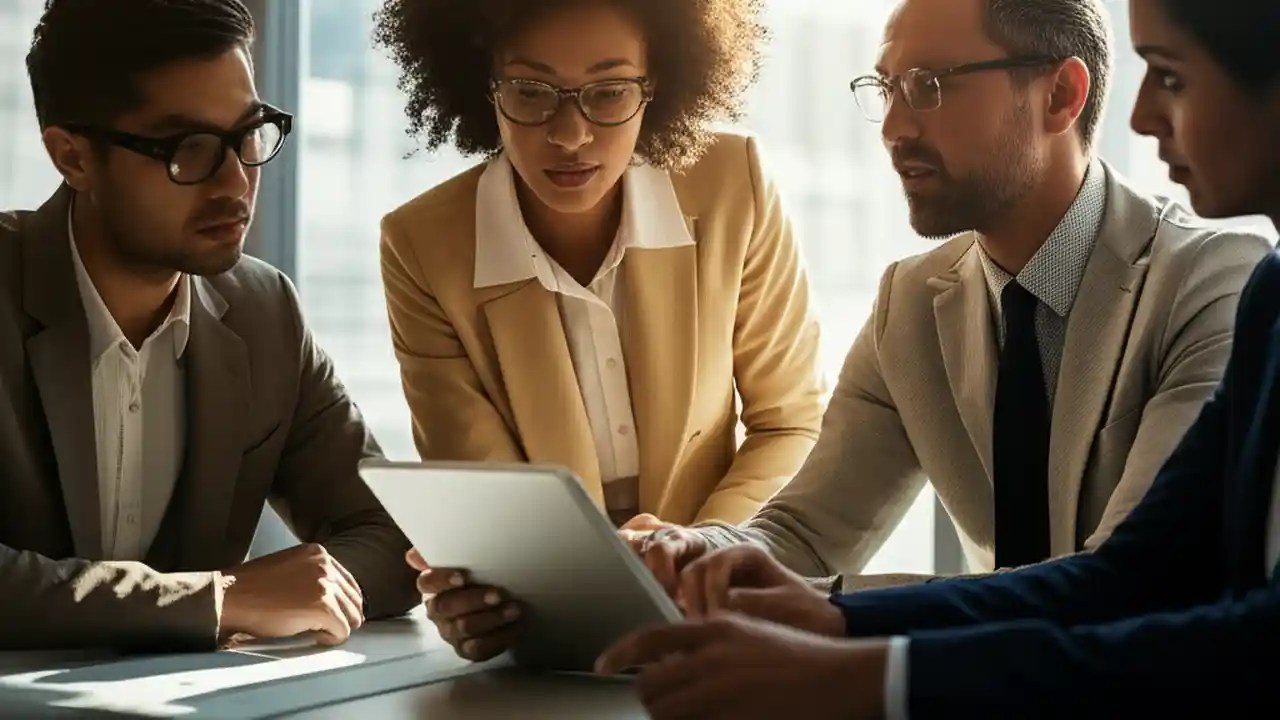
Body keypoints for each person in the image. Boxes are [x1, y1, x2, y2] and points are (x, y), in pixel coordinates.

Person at [599, 0, 1280, 716]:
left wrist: (844, 642)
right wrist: (689, 553)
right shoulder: (914, 298)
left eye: (928, 85)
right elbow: (804, 531)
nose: (894, 127)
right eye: (885, 89)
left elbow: (1150, 594)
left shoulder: (1219, 281)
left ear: (1060, 96)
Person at [375, 0, 825, 660]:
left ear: (659, 85)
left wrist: (697, 556)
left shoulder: (734, 187)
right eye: (531, 91)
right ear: (482, 85)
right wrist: (485, 597)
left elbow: (790, 423)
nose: (571, 134)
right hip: (556, 628)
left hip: (727, 607)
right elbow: (496, 506)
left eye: (609, 92)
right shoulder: (423, 246)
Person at [0, 0, 418, 651]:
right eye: (186, 148)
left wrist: (285, 592)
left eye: (248, 134)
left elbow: (390, 539)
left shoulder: (263, 312)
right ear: (72, 157)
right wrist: (215, 601)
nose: (235, 180)